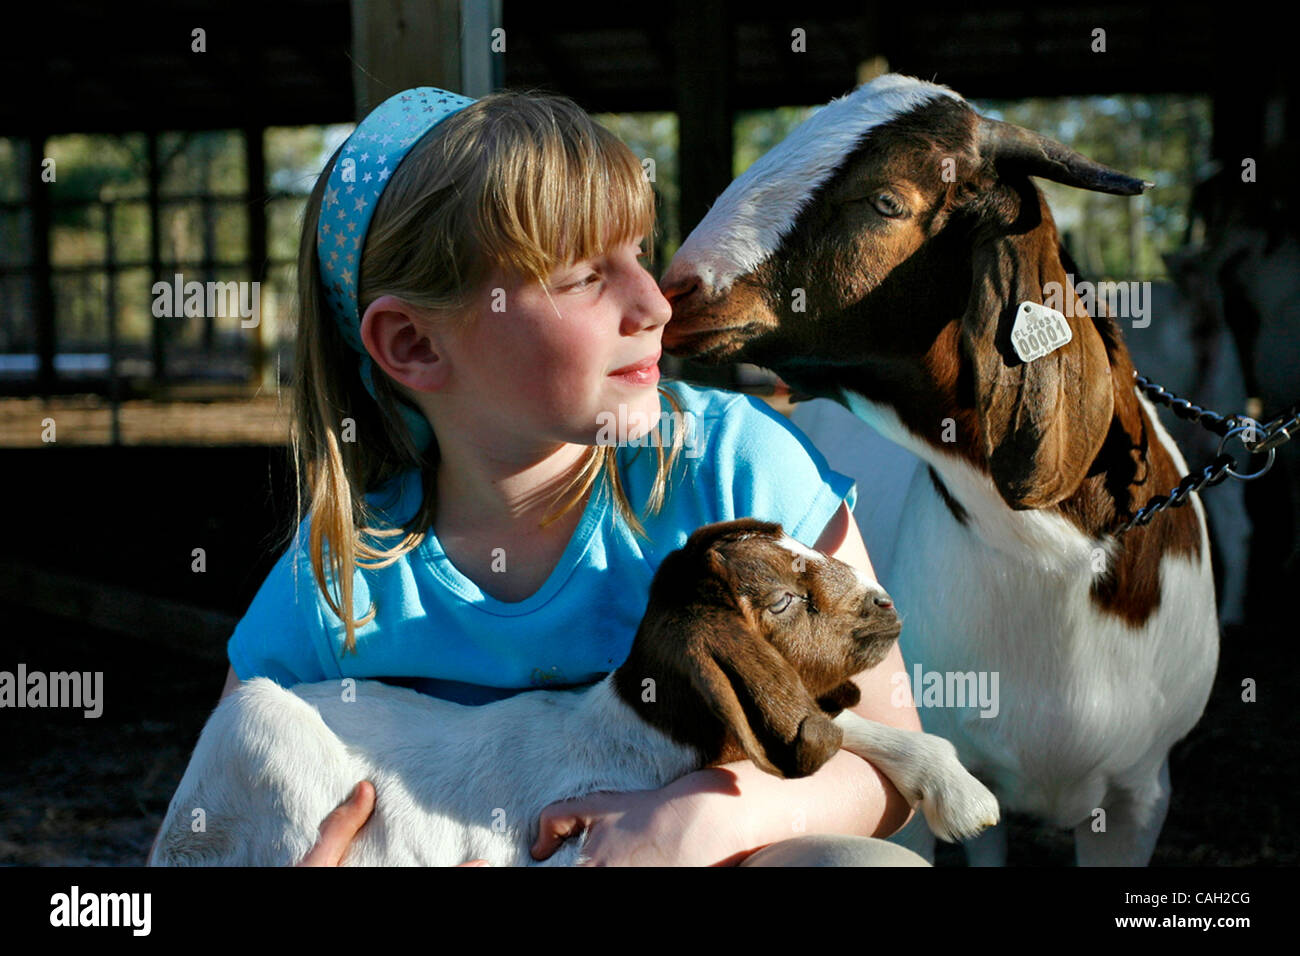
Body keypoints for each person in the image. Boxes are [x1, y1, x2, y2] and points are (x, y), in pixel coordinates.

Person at [187, 86, 928, 867]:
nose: (653, 302)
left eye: (639, 253)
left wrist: (710, 820)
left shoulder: (733, 467)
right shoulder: (340, 571)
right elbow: (208, 819)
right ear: (413, 345)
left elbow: (892, 761)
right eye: (582, 277)